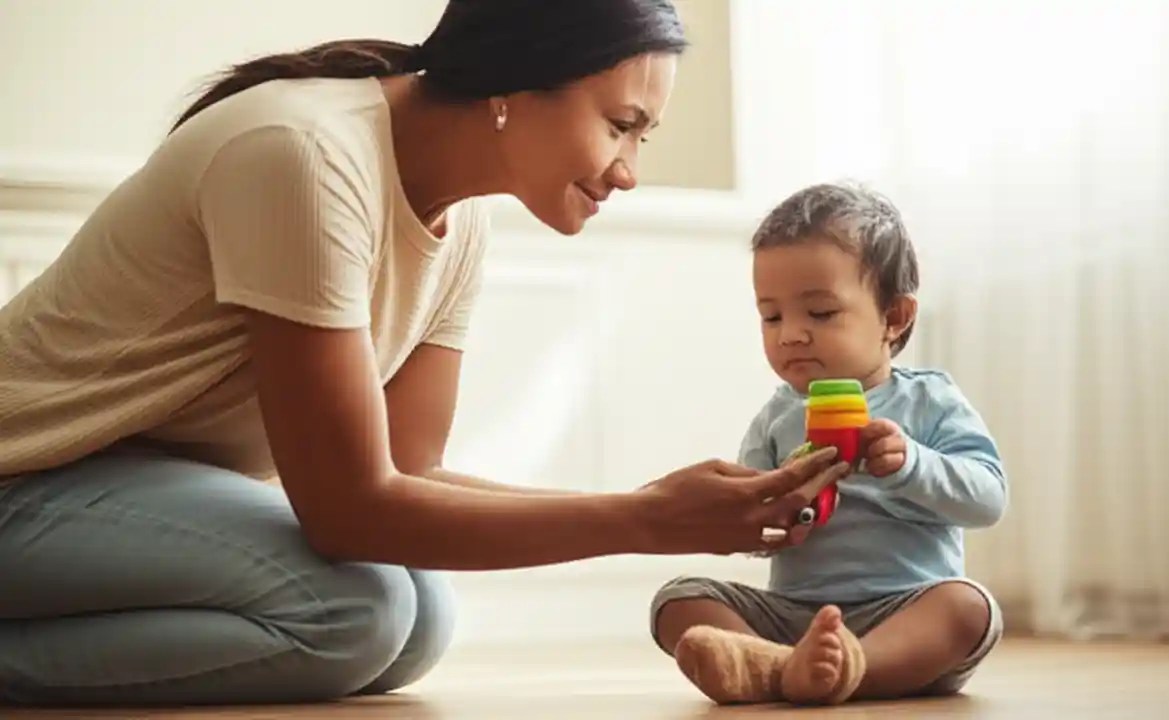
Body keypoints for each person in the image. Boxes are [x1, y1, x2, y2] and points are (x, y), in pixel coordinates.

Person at [0, 1, 848, 706]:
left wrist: (646, 505)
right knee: (355, 611)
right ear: (516, 81)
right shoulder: (305, 154)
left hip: (133, 492)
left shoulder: (461, 216)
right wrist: (647, 519)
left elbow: (409, 471)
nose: (628, 170)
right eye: (621, 125)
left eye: (643, 138)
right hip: (30, 478)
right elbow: (348, 510)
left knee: (422, 613)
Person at [648, 181, 1008, 706]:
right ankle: (782, 664)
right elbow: (750, 526)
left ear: (894, 317)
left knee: (969, 608)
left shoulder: (930, 400)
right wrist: (775, 509)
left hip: (902, 612)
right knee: (677, 601)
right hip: (794, 616)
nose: (790, 333)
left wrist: (912, 463)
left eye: (819, 313)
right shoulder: (777, 418)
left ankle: (849, 667)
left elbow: (988, 499)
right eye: (772, 316)